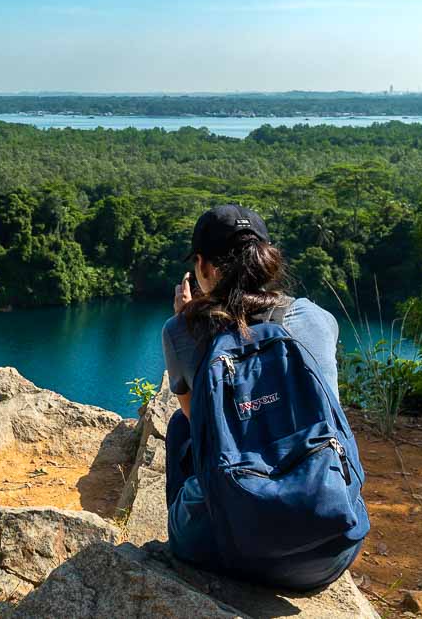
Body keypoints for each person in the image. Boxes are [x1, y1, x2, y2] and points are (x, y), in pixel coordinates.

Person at [160, 204, 363, 590]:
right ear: (266, 258)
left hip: (223, 550)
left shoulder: (180, 331)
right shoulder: (317, 318)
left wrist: (187, 320)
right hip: (326, 552)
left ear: (202, 267)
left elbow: (198, 423)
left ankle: (187, 545)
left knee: (179, 428)